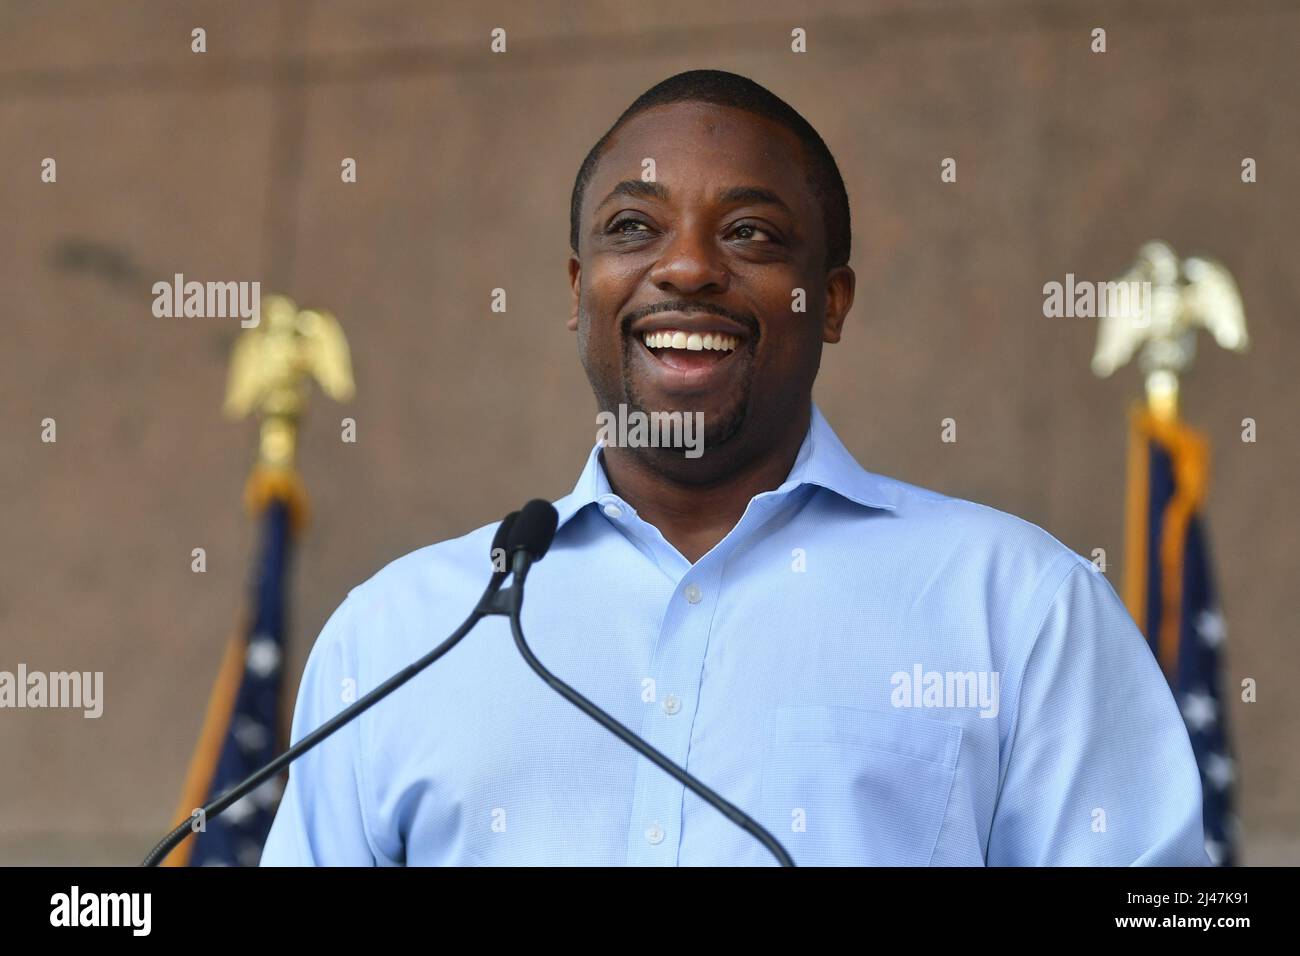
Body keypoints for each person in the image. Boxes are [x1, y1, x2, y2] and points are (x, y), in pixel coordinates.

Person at [261, 69, 1208, 866]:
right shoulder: (399, 635)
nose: (686, 268)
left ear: (830, 301)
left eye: (750, 233)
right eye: (633, 228)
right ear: (577, 287)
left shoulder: (1019, 609)